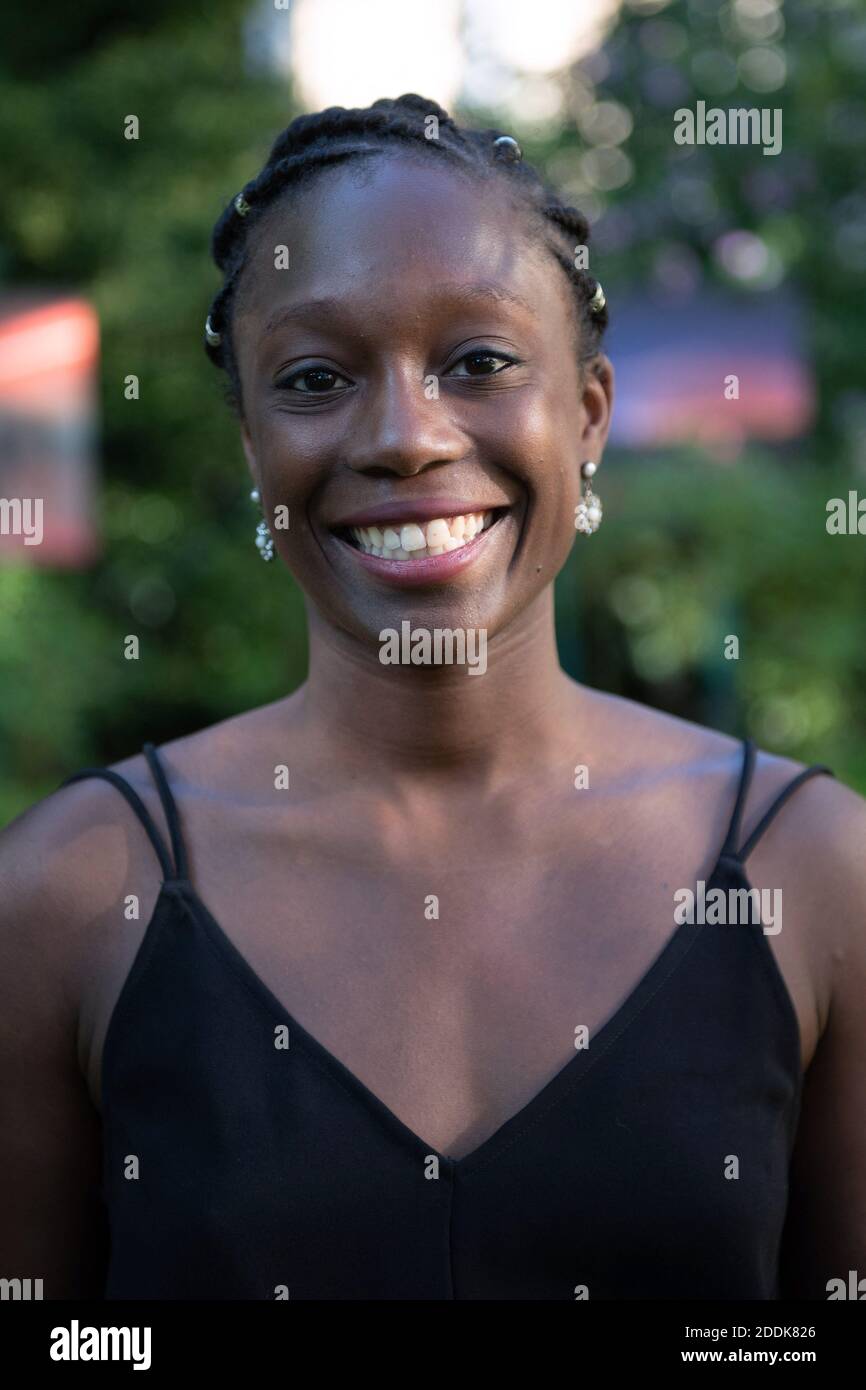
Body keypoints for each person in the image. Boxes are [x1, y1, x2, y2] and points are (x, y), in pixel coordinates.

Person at [1, 95, 864, 1301]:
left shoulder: (812, 875)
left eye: (480, 361)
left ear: (589, 415)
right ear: (253, 446)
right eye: (313, 376)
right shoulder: (72, 893)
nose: (406, 436)